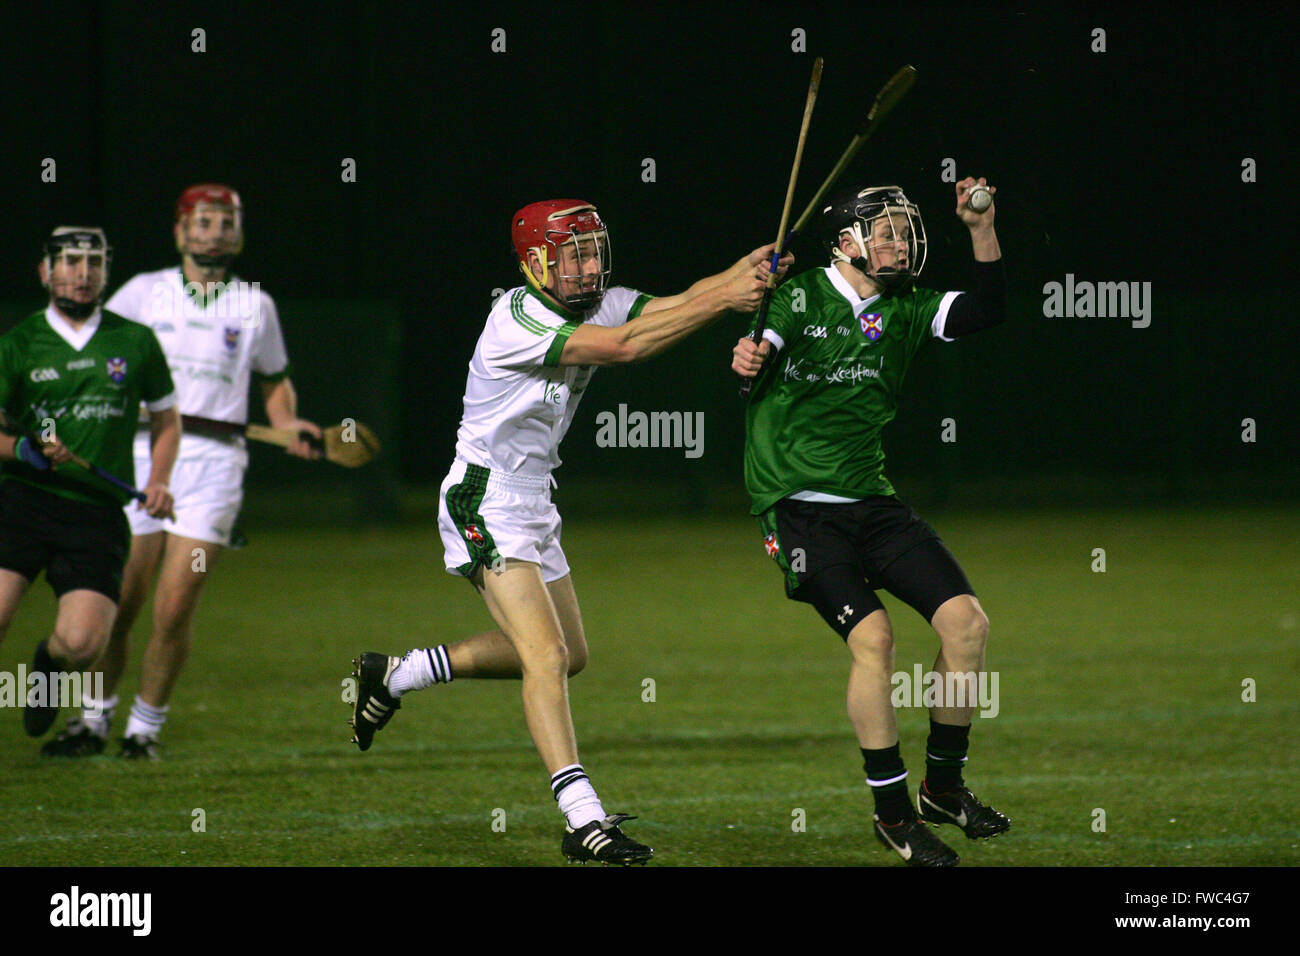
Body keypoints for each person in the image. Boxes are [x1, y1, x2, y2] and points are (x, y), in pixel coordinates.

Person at [350, 199, 787, 864]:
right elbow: (627, 346)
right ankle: (583, 820)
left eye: (592, 251)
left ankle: (398, 675)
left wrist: (739, 272)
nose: (588, 267)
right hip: (483, 498)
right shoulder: (517, 316)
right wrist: (728, 298)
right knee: (546, 657)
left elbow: (676, 302)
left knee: (568, 654)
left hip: (534, 503)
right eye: (572, 255)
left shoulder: (600, 302)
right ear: (533, 265)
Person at [731, 179, 1011, 866]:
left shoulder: (909, 306)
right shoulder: (796, 295)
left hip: (873, 501)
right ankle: (891, 816)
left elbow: (986, 309)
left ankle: (942, 791)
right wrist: (749, 356)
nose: (900, 242)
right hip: (797, 510)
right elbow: (756, 350)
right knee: (876, 638)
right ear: (846, 242)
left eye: (905, 231)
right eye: (884, 231)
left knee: (967, 625)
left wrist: (981, 226)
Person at [41, 185, 321, 760]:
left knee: (176, 603)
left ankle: (144, 729)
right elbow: (95, 352)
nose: (214, 232)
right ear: (180, 232)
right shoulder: (145, 292)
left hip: (215, 465)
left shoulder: (255, 306)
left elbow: (273, 379)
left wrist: (288, 423)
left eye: (225, 222)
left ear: (237, 233)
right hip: (138, 461)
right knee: (119, 600)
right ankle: (93, 721)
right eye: (204, 222)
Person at [0, 227, 179, 743]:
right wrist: (22, 450)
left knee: (82, 646)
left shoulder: (135, 341)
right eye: (71, 261)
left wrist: (158, 481)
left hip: (96, 512)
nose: (83, 273)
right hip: (21, 502)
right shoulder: (18, 344)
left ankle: (48, 665)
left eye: (94, 262)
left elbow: (168, 420)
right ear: (46, 271)